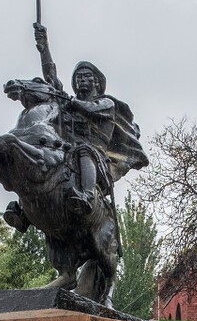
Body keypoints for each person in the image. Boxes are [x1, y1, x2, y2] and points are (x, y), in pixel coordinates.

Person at [34, 23, 147, 215]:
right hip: (68, 151)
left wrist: (72, 102)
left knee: (84, 149)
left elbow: (89, 109)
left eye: (85, 76)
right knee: (42, 153)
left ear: (96, 81)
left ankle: (87, 195)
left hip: (97, 157)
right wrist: (44, 48)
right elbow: (52, 80)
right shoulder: (71, 103)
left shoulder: (106, 103)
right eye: (78, 77)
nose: (81, 80)